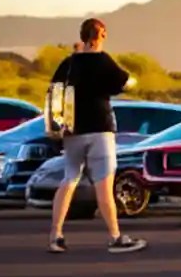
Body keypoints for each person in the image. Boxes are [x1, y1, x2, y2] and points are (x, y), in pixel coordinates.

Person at [46, 18, 147, 254]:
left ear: (82, 36)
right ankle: (115, 236)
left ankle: (55, 234)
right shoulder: (103, 61)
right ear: (100, 34)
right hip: (100, 130)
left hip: (73, 130)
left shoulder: (69, 64)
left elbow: (54, 88)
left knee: (69, 179)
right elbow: (124, 81)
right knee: (104, 185)